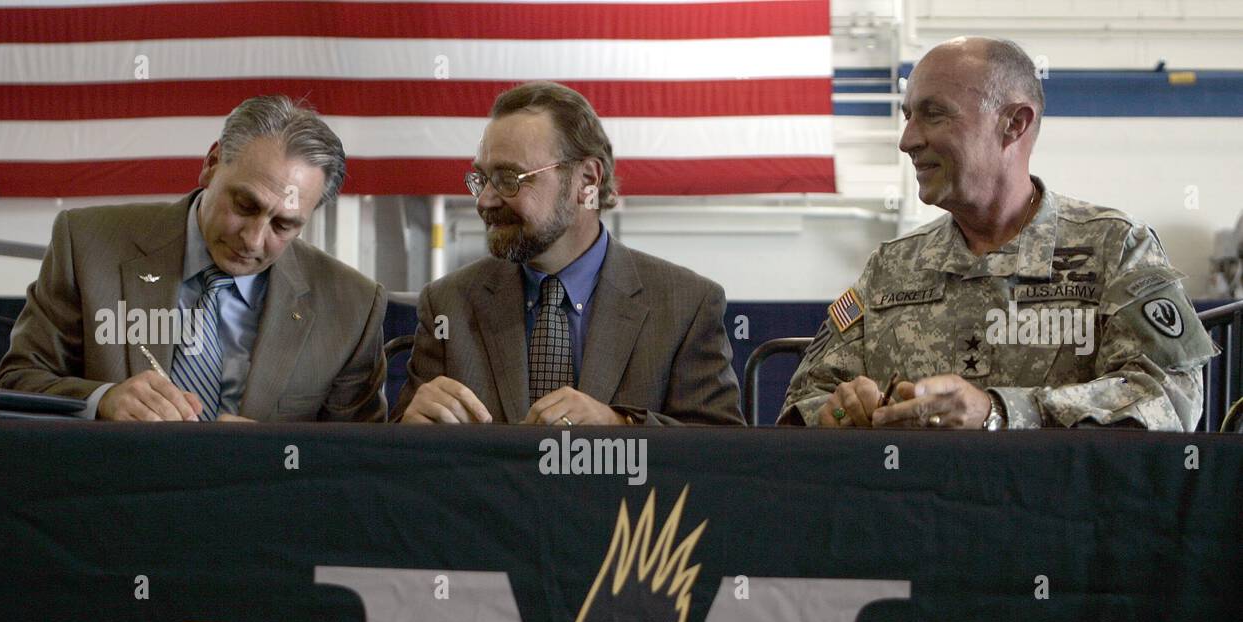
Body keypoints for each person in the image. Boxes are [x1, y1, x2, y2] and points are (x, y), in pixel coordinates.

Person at [779, 37, 1215, 432]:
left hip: (1057, 514)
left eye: (933, 114)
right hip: (912, 511)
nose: (907, 140)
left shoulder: (1115, 250)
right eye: (908, 116)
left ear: (1014, 124)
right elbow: (804, 398)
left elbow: (1168, 398)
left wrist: (998, 413)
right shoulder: (892, 266)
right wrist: (840, 410)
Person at [0, 96, 387, 422]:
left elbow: (363, 459)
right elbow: (17, 383)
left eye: (283, 225)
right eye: (244, 204)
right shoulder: (87, 243)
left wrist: (278, 451)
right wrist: (102, 400)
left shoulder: (351, 305)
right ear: (212, 163)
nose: (252, 240)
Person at [393, 82, 743, 426]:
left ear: (586, 180)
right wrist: (410, 434)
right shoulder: (447, 303)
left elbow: (723, 459)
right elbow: (391, 462)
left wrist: (623, 427)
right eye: (481, 179)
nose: (485, 200)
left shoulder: (686, 305)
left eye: (510, 178)